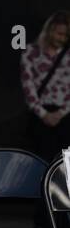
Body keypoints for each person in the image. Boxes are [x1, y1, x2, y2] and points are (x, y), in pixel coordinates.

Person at [21, 9, 70, 160]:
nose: (62, 38)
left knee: (66, 162)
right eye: (59, 34)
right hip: (40, 115)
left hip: (65, 116)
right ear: (49, 31)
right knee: (40, 159)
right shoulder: (31, 53)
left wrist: (61, 113)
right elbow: (28, 88)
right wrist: (44, 114)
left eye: (65, 35)